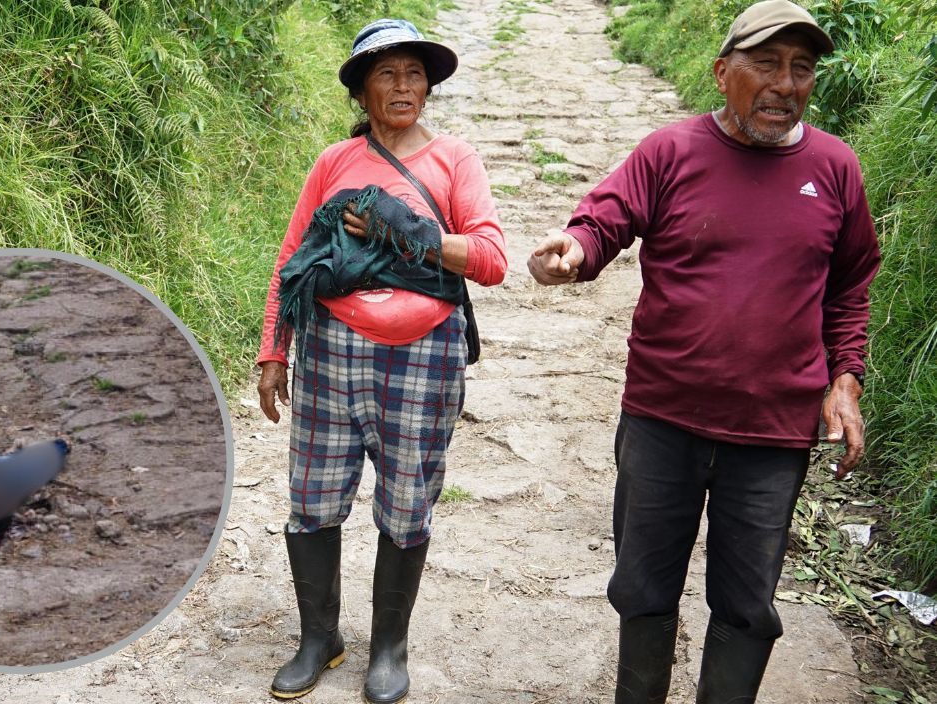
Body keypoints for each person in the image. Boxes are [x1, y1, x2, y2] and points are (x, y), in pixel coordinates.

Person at [526, 1, 880, 702]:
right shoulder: (671, 151)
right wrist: (575, 248)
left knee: (748, 607)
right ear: (723, 72)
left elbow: (851, 286)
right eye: (766, 63)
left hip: (773, 433)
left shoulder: (835, 169)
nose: (785, 83)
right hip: (663, 417)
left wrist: (845, 381)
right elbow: (608, 216)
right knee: (644, 590)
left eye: (801, 68)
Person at [256, 18, 506, 704]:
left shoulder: (455, 159)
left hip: (425, 356)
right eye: (387, 74)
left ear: (428, 85)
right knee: (312, 501)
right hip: (331, 352)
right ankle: (319, 640)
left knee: (406, 504)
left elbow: (490, 260)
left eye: (414, 74)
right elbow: (292, 262)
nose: (404, 87)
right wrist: (273, 351)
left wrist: (415, 234)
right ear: (362, 91)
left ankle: (389, 649)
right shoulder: (334, 163)